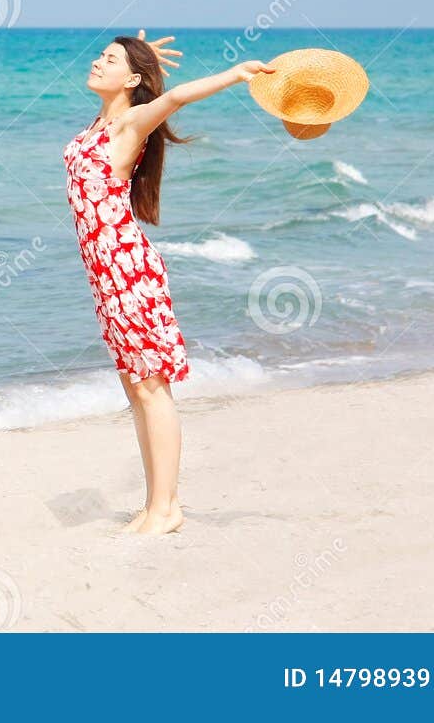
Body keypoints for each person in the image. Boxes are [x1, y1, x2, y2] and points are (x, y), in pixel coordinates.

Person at [64, 32, 273, 535]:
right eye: (99, 55)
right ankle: (159, 502)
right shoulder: (102, 122)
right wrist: (143, 58)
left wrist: (234, 74)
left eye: (109, 60)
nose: (96, 62)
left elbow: (175, 97)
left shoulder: (130, 122)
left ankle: (166, 509)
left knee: (152, 390)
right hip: (106, 276)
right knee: (137, 392)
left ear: (130, 80)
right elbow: (150, 84)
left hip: (127, 272)